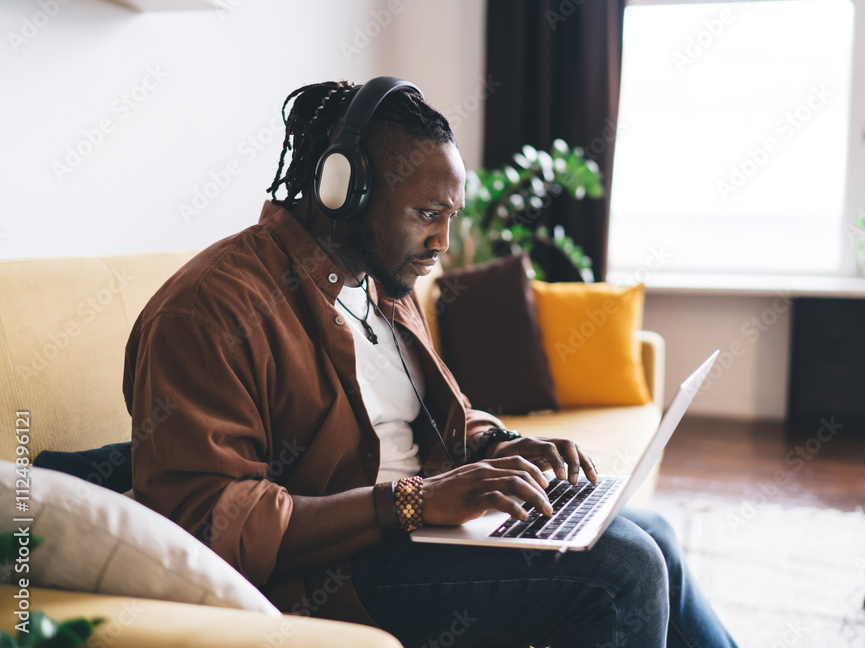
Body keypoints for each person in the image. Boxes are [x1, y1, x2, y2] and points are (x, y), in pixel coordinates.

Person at [125, 77, 738, 647]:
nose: (442, 244)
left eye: (450, 217)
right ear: (344, 192)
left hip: (421, 528)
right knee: (622, 569)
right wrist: (415, 502)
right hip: (333, 572)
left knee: (652, 535)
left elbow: (442, 414)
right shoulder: (209, 309)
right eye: (427, 215)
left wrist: (500, 446)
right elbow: (207, 522)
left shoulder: (383, 283)